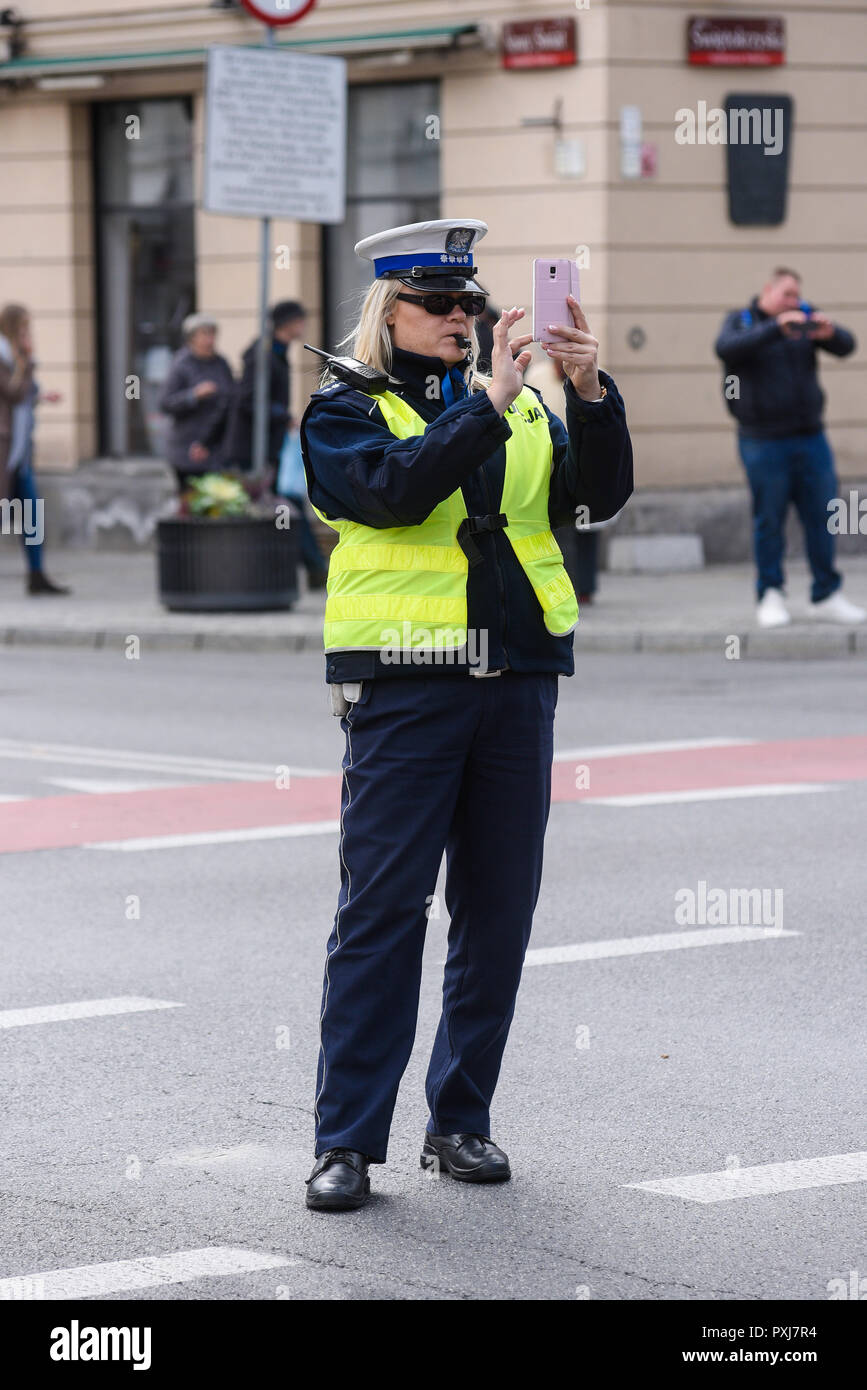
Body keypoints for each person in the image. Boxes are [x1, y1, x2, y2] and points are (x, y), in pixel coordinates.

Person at [299, 218, 633, 1211]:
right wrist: (487, 400)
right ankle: (348, 1140)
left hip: (518, 677)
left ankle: (461, 1120)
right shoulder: (345, 407)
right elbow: (395, 495)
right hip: (407, 681)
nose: (460, 318)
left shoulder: (526, 405)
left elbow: (597, 497)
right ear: (389, 313)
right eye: (439, 305)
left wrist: (590, 392)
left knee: (496, 913)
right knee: (383, 914)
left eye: (469, 304)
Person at [715, 267, 864, 628]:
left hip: (811, 437)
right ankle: (770, 594)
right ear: (768, 290)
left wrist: (829, 332)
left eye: (797, 295)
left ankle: (825, 593)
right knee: (769, 518)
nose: (793, 302)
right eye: (787, 294)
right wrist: (776, 329)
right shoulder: (742, 320)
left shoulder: (804, 319)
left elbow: (847, 346)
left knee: (823, 515)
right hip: (762, 439)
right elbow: (726, 349)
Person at [0, 303, 69, 595]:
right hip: (3, 449)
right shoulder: (3, 356)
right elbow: (14, 393)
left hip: (19, 452)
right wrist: (27, 362)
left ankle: (37, 575)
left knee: (32, 515)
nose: (28, 332)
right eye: (25, 326)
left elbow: (26, 393)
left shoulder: (15, 357)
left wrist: (41, 395)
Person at [158, 313, 236, 492]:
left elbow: (231, 396)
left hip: (215, 445)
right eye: (205, 334)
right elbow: (166, 403)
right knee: (192, 501)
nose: (210, 339)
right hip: (187, 449)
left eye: (213, 334)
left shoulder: (221, 363)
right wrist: (194, 395)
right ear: (192, 338)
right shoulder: (181, 364)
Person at [227, 300, 308, 473]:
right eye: (300, 320)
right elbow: (249, 400)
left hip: (267, 443)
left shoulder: (277, 352)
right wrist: (285, 417)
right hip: (253, 447)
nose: (304, 325)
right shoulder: (264, 355)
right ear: (288, 323)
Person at [275, 423, 328, 590]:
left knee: (288, 530)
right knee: (294, 529)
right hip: (289, 492)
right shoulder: (291, 436)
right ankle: (315, 567)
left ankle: (314, 566)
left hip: (285, 493)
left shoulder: (287, 437)